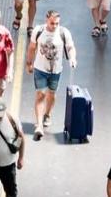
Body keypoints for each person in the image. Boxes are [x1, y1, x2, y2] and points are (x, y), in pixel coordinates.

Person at [27, 11, 76, 140]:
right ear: (46, 20)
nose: (54, 26)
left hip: (55, 71)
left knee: (51, 94)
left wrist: (72, 58)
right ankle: (39, 125)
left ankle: (47, 114)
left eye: (56, 23)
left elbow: (70, 47)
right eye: (52, 23)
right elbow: (32, 47)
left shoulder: (63, 33)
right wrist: (29, 63)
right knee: (40, 94)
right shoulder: (38, 31)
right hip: (40, 69)